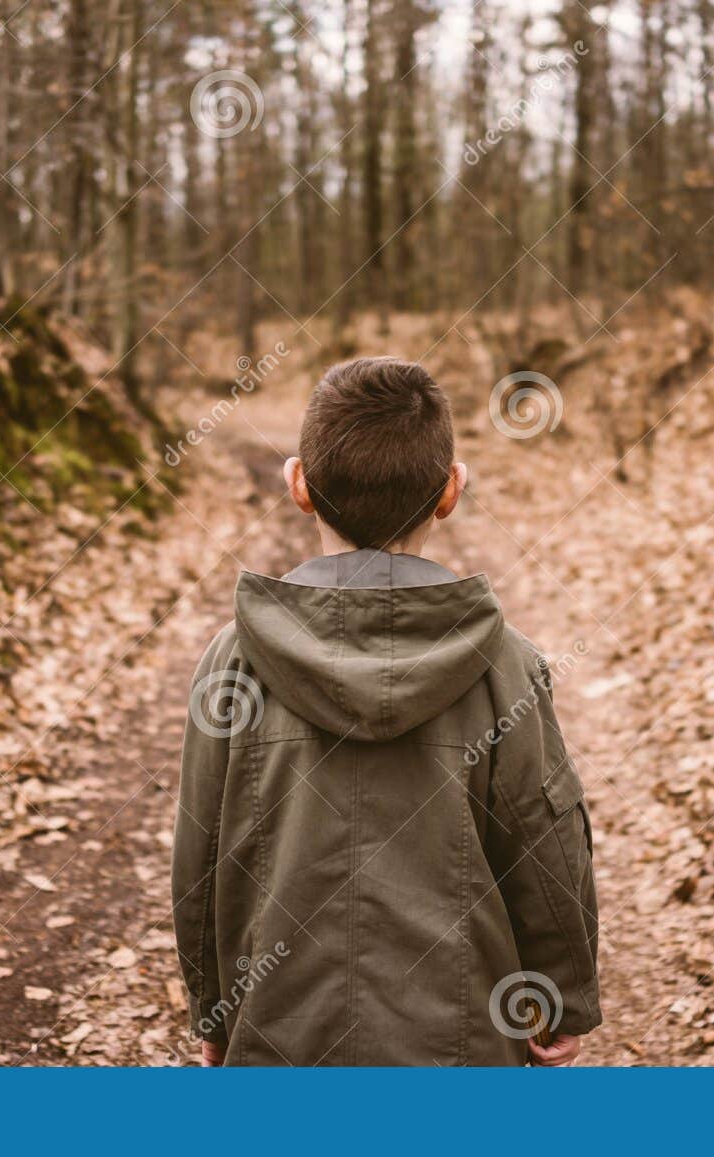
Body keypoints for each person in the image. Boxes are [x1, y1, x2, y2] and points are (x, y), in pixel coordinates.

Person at [172, 357, 600, 1066]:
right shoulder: (506, 665)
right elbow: (545, 839)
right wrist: (559, 992)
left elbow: (201, 848)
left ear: (298, 485)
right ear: (450, 492)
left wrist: (213, 1008)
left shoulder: (233, 662)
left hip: (282, 1042)